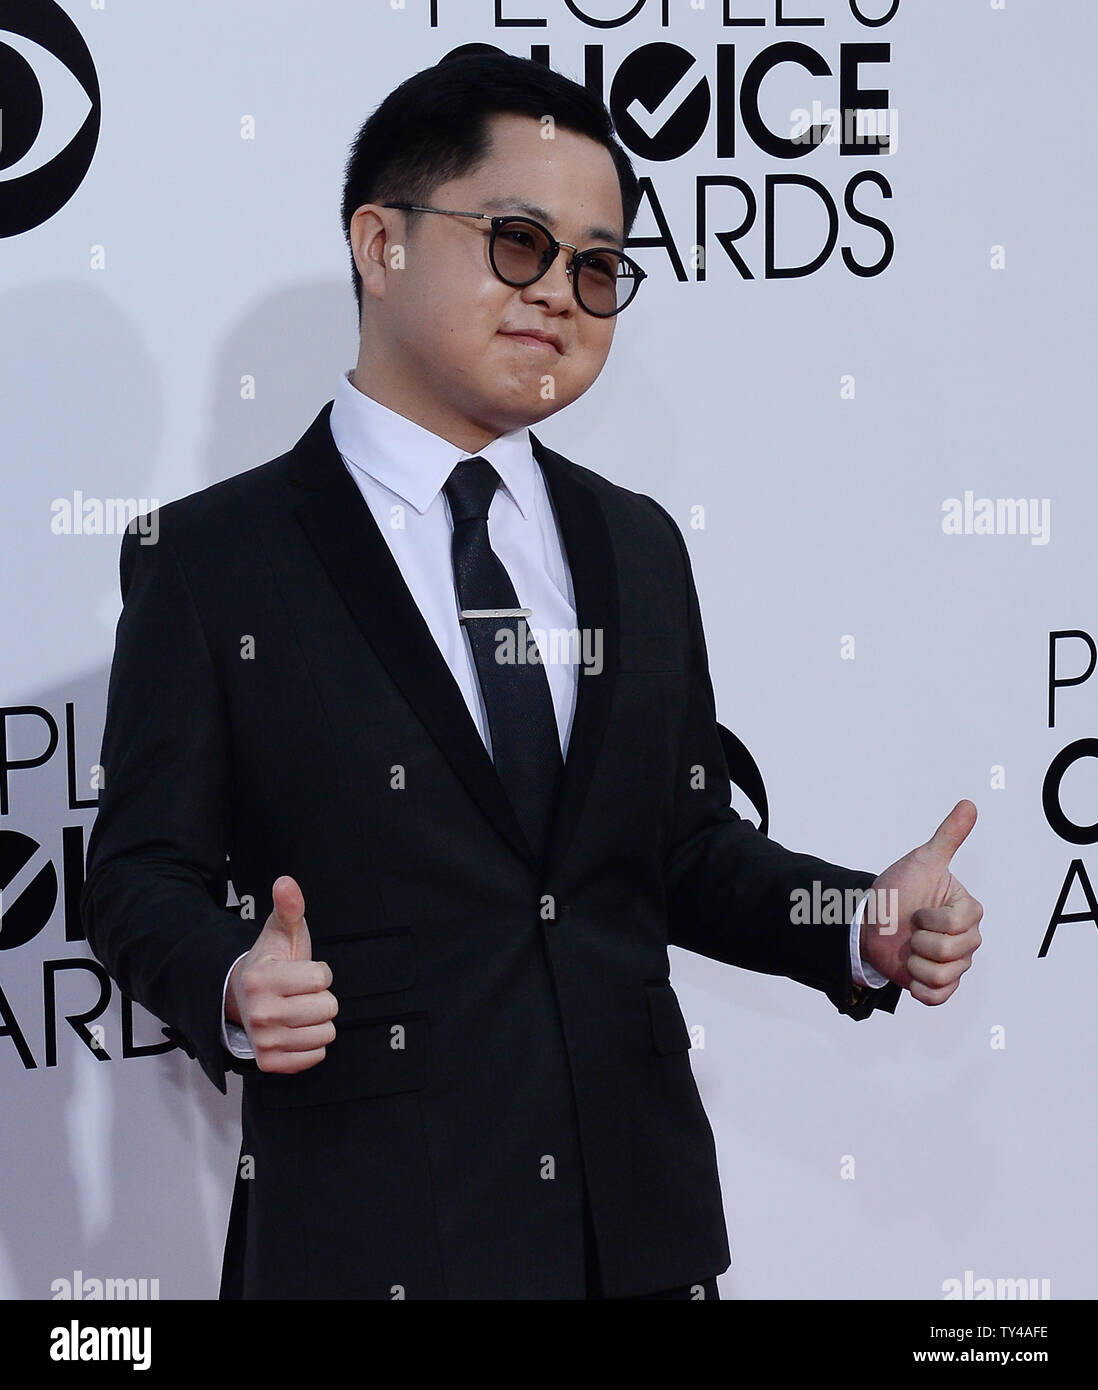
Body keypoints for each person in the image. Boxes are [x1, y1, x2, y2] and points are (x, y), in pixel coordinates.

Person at [81, 51, 983, 1301]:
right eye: (518, 241)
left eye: (599, 267)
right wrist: (233, 977)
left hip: (642, 1240)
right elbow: (137, 875)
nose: (561, 292)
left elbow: (677, 846)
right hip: (367, 1237)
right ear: (379, 242)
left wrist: (855, 923)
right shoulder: (211, 562)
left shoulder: (635, 542)